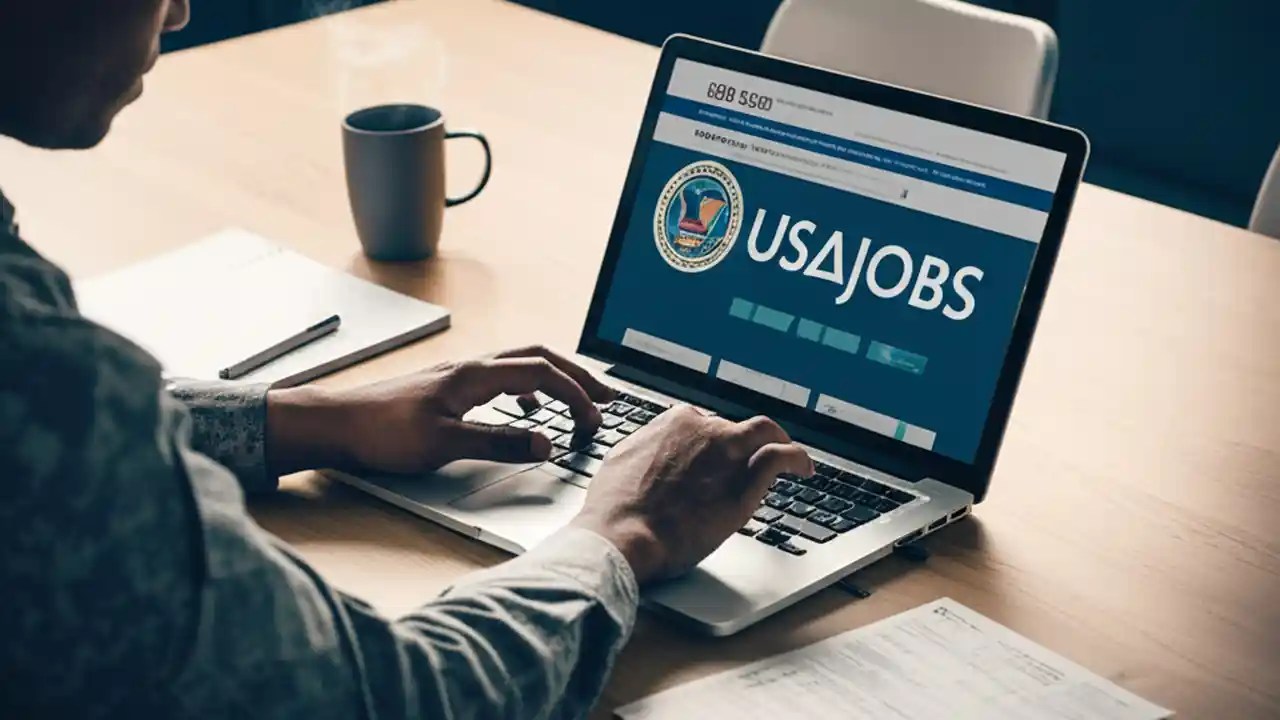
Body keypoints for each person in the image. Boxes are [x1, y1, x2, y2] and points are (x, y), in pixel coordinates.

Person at [0, 1, 814, 718]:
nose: (178, 11)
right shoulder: (47, 383)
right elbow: (396, 699)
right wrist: (622, 531)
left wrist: (312, 421)